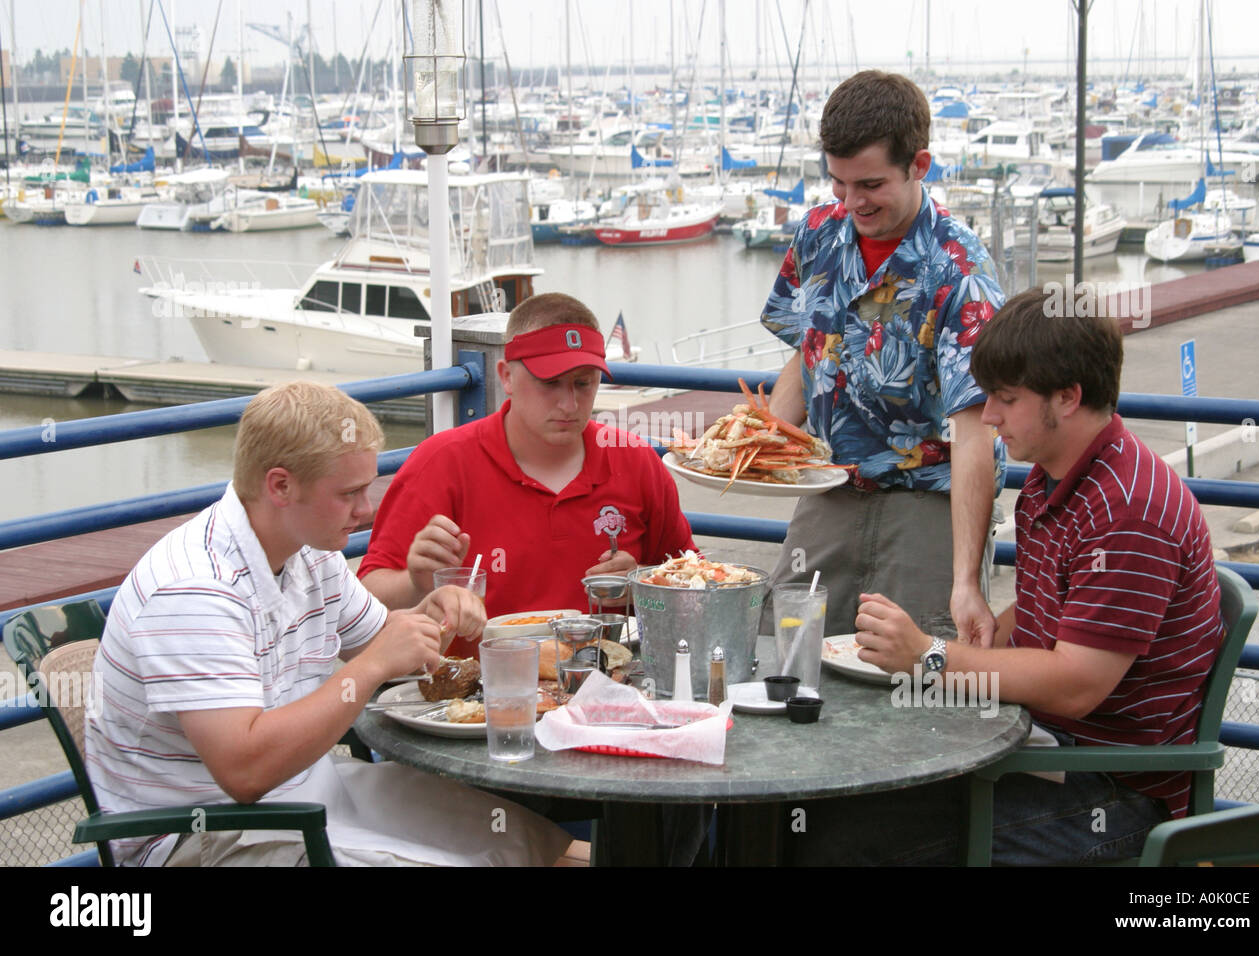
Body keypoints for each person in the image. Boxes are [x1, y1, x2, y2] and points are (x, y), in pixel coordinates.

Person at [786, 288, 1225, 864]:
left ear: (1067, 398)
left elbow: (1075, 685)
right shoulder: (1059, 475)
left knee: (839, 840)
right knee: (821, 806)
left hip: (1115, 794)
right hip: (1049, 756)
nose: (987, 416)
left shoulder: (1129, 512)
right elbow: (1063, 610)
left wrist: (929, 658)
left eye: (1005, 398)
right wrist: (992, 627)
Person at [84, 381, 574, 866]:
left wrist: (429, 612)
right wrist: (372, 667)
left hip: (304, 794)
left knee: (531, 838)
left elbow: (381, 646)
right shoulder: (194, 589)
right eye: (350, 493)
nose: (366, 510)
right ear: (280, 486)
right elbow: (245, 770)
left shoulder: (307, 550)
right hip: (206, 836)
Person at [760, 70, 1006, 642]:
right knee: (785, 645)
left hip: (927, 499)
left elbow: (976, 433)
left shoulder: (960, 272)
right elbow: (810, 348)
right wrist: (760, 442)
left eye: (869, 185)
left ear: (919, 165)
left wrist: (965, 579)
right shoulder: (817, 233)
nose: (852, 203)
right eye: (839, 184)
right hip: (828, 485)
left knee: (917, 673)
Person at [360, 292, 695, 623]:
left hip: (608, 670)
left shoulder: (635, 460)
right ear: (506, 376)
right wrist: (416, 582)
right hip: (477, 674)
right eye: (549, 383)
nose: (569, 404)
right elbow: (364, 602)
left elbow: (694, 582)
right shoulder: (441, 462)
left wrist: (642, 582)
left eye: (583, 383)